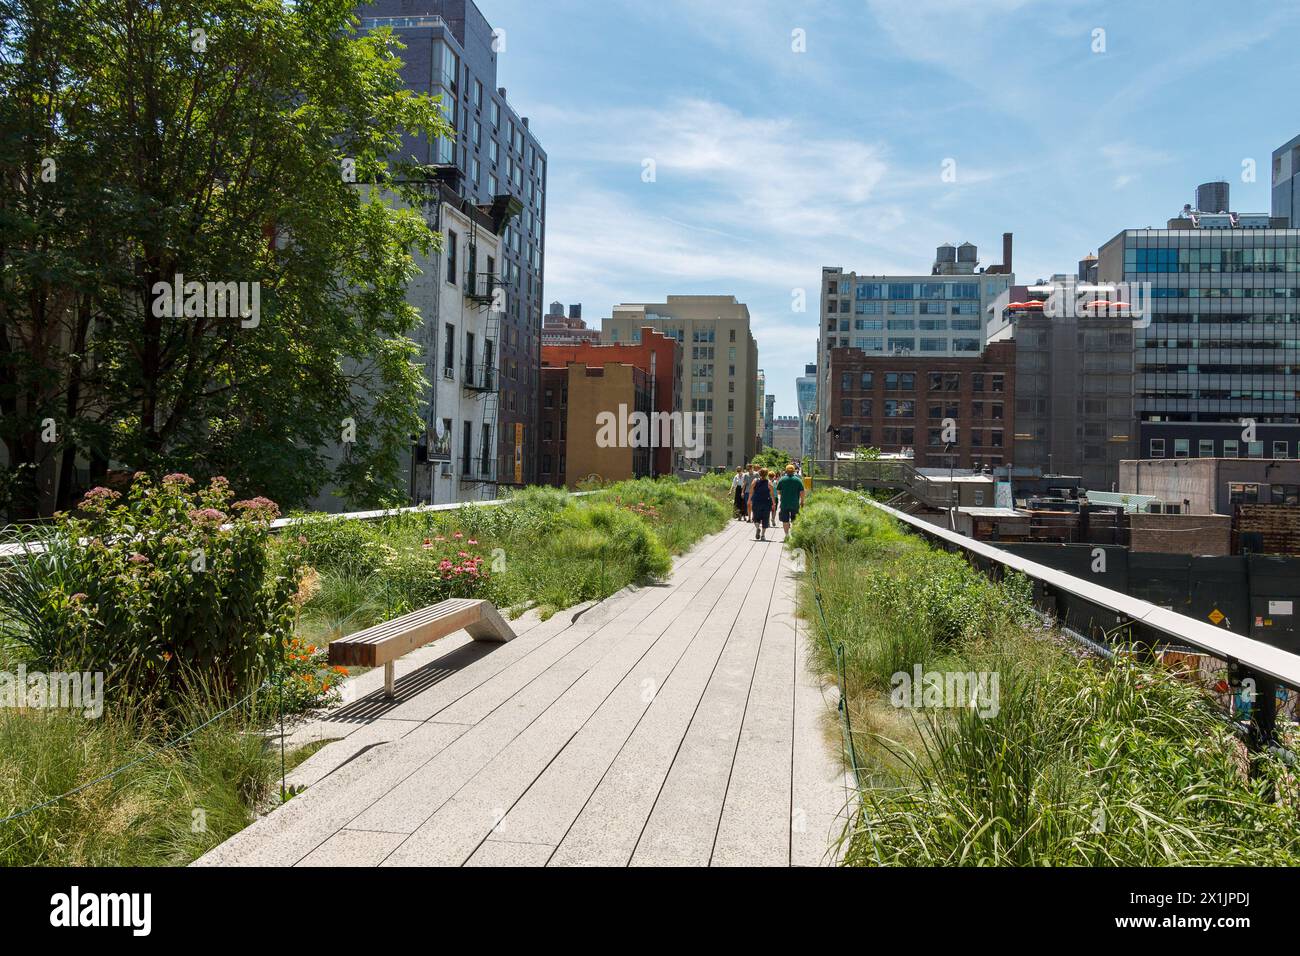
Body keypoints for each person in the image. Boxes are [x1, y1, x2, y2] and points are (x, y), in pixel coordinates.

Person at [775, 463, 806, 539]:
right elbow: (802, 492)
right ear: (794, 471)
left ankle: (786, 535)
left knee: (785, 520)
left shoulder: (782, 479)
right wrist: (802, 501)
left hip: (784, 503)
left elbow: (778, 491)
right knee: (794, 520)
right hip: (795, 504)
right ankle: (794, 535)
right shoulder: (798, 480)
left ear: (786, 471)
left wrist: (783, 494)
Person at [749, 468, 774, 540]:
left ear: (759, 473)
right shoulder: (769, 482)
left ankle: (757, 528)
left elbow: (751, 491)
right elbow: (772, 494)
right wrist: (774, 503)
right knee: (765, 518)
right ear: (767, 474)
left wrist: (749, 500)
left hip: (756, 501)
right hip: (766, 502)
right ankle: (763, 535)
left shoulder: (755, 481)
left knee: (756, 517)